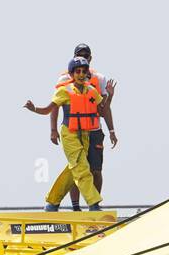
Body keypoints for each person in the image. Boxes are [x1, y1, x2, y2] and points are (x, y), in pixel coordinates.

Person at [23, 57, 103, 212]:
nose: (81, 74)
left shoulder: (92, 91)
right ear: (72, 74)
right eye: (77, 71)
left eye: (84, 71)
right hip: (69, 134)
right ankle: (94, 204)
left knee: (73, 169)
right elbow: (48, 110)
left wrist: (110, 95)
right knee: (82, 168)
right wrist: (34, 109)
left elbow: (102, 108)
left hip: (85, 135)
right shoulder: (64, 91)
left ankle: (52, 203)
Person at [56, 43, 117, 211]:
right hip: (74, 132)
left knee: (95, 170)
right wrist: (53, 130)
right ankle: (75, 207)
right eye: (79, 54)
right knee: (77, 170)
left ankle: (94, 206)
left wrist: (112, 130)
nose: (84, 58)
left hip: (94, 130)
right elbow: (55, 105)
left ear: (90, 58)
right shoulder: (64, 79)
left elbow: (103, 109)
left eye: (86, 55)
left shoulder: (100, 79)